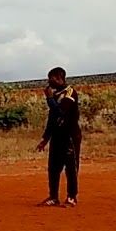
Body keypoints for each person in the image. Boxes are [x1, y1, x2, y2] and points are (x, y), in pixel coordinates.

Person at [36, 67, 81, 207]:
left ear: (59, 78)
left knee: (70, 168)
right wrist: (45, 139)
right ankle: (53, 197)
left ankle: (72, 197)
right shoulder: (56, 95)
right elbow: (52, 118)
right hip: (57, 137)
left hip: (69, 136)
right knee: (53, 168)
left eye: (51, 78)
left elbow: (61, 112)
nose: (49, 81)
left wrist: (49, 98)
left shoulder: (70, 93)